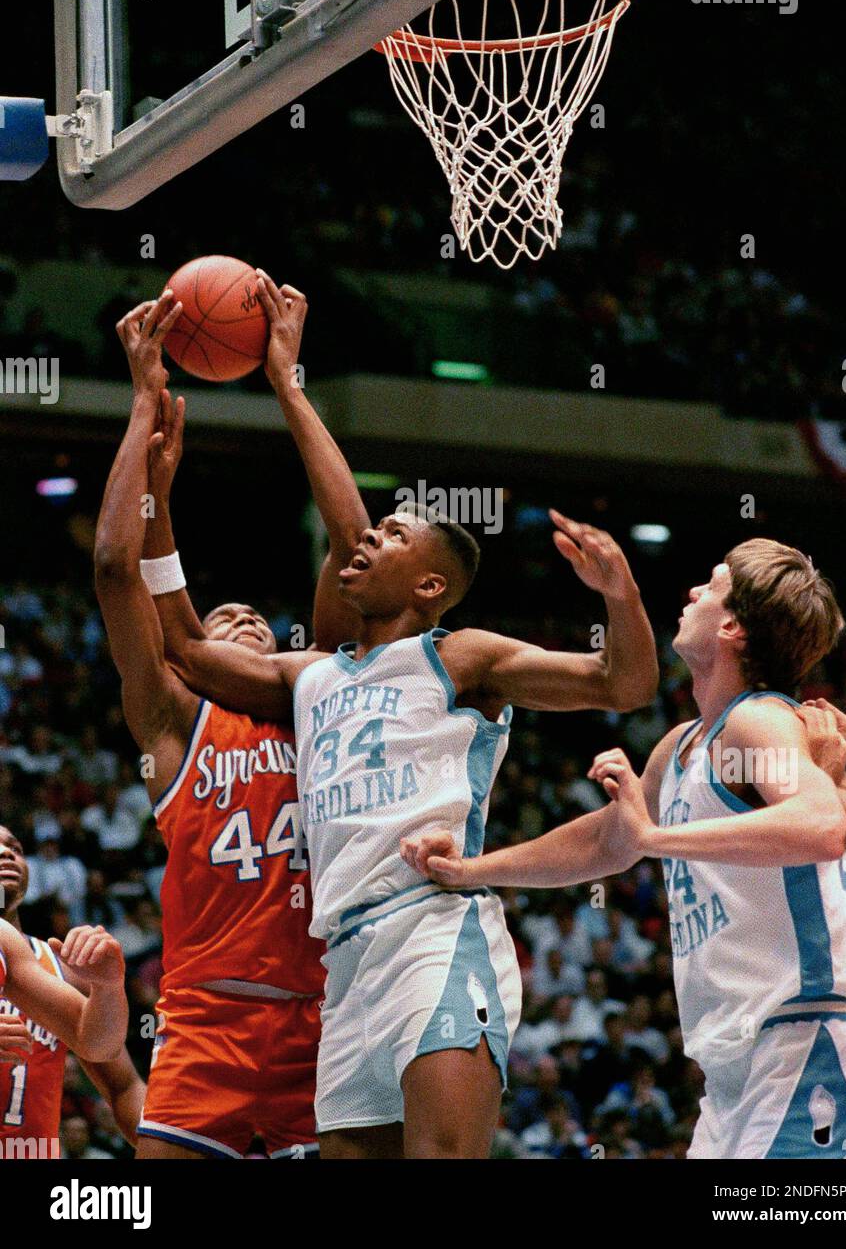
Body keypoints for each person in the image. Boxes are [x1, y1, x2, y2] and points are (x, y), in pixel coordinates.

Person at [143, 289, 658, 1158]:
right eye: (373, 529)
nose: (368, 538)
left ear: (427, 587)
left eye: (391, 533)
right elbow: (187, 650)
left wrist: (620, 593)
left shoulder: (460, 658)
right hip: (343, 966)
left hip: (433, 929)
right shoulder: (309, 677)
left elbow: (626, 682)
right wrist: (163, 495)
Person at [403, 542, 846, 1159]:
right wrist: (473, 869)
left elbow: (820, 821)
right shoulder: (682, 746)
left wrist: (655, 838)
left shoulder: (760, 721)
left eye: (710, 587)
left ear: (734, 626)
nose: (692, 594)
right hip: (734, 1076)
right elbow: (608, 840)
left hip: (806, 1051)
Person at [95, 282, 365, 1160]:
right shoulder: (177, 722)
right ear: (195, 653)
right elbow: (113, 567)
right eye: (223, 620)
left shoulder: (323, 699)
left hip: (320, 1030)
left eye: (259, 619)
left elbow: (351, 547)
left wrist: (288, 384)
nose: (244, 616)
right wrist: (142, 411)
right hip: (203, 1028)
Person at [0, 824, 142, 1158]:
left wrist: (108, 988)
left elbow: (115, 1072)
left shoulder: (53, 964)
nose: (7, 853)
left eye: (15, 848)